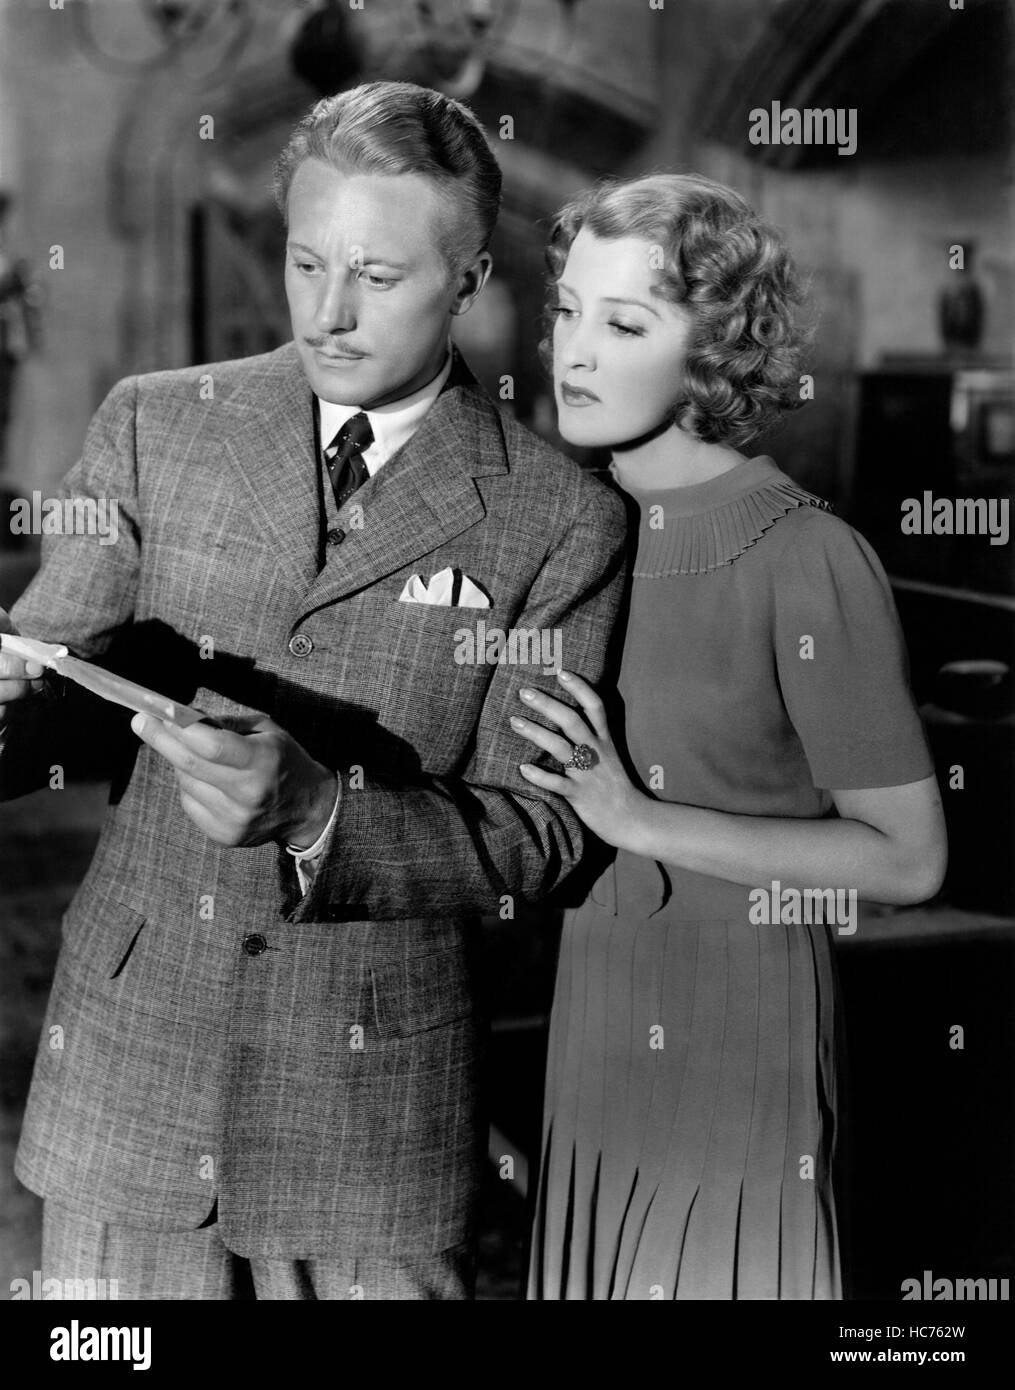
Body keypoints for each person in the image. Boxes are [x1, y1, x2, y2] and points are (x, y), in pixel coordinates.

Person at [0, 81, 626, 1301]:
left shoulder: (561, 520)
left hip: (373, 1117)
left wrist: (317, 815)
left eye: (379, 279)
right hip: (129, 1076)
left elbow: (543, 833)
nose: (327, 314)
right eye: (303, 262)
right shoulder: (158, 423)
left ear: (467, 279)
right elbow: (41, 702)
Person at [512, 174, 947, 1300]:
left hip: (736, 1017)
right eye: (565, 309)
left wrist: (641, 819)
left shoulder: (806, 556)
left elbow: (905, 858)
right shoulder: (571, 531)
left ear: (710, 352)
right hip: (594, 999)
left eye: (624, 322)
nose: (575, 350)